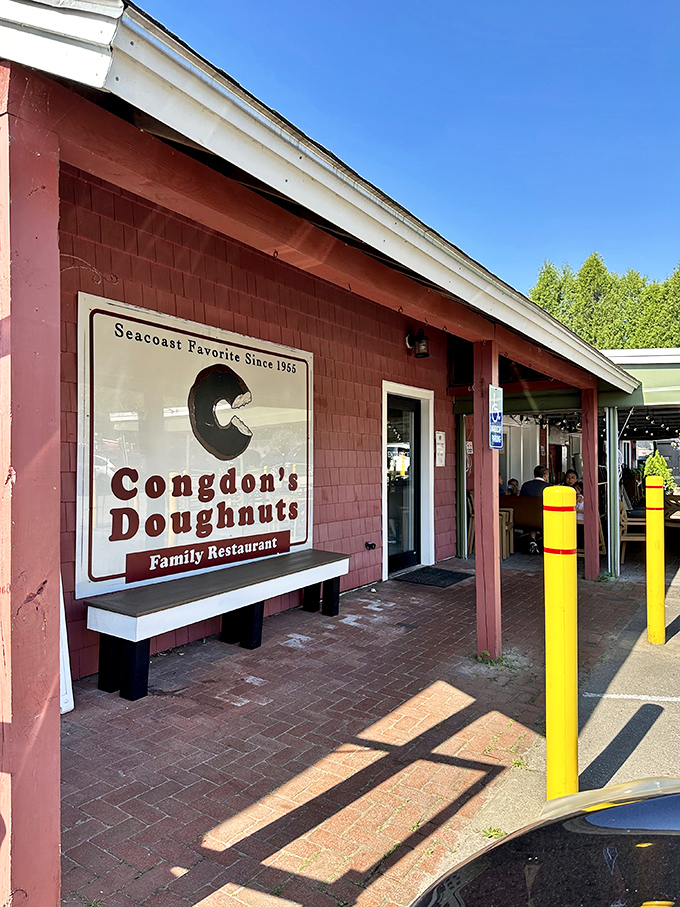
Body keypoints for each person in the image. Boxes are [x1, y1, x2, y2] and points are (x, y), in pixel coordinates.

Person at [520, 466, 549, 554]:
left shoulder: (525, 485)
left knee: (534, 517)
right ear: (544, 475)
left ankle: (533, 540)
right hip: (542, 517)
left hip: (526, 517)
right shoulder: (548, 487)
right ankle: (546, 543)